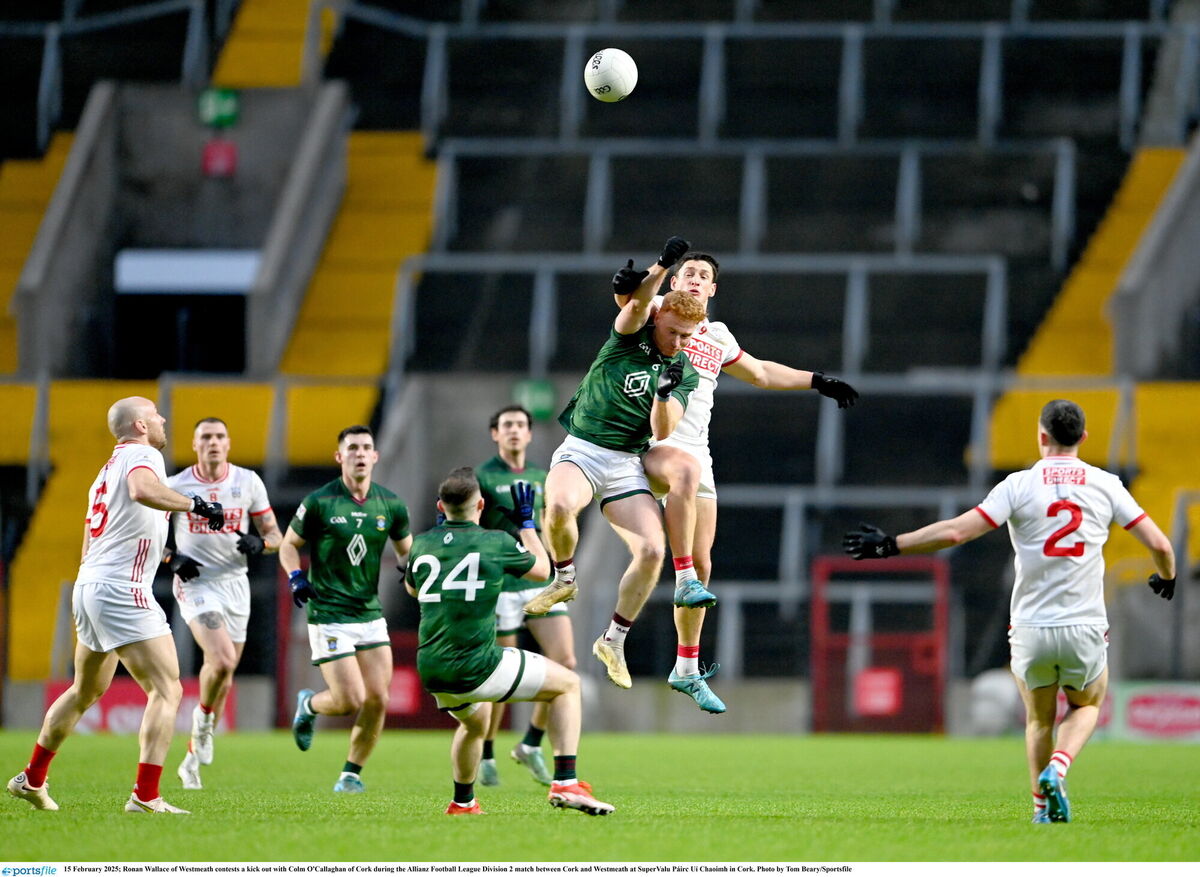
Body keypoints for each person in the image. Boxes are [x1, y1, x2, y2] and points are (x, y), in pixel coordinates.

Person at [843, 399, 1176, 824]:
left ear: (1042, 435)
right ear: (1084, 437)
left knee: (1038, 720)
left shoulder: (1018, 485)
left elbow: (957, 532)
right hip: (1085, 625)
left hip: (1031, 627)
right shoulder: (1105, 484)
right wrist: (1166, 577)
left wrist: (891, 545)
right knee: (1087, 706)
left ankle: (1042, 810)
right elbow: (1160, 544)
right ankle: (1059, 769)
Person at [611, 245, 858, 713]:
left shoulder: (718, 335)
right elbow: (630, 306)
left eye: (703, 275)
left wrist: (817, 381)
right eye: (688, 272)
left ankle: (686, 668)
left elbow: (761, 373)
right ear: (674, 282)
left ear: (713, 289)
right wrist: (628, 286)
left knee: (703, 564)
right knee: (669, 556)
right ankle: (626, 615)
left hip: (696, 452)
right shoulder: (658, 310)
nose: (695, 279)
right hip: (649, 443)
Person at [6, 396, 224, 814]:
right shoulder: (143, 455)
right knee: (167, 690)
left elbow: (101, 536)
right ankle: (146, 796)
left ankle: (31, 779)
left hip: (90, 584)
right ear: (140, 425)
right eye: (156, 415)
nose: (162, 420)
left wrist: (164, 556)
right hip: (122, 589)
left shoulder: (104, 472)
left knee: (85, 689)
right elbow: (143, 491)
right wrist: (196, 504)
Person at [522, 236, 705, 692]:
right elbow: (636, 303)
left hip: (626, 463)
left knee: (652, 552)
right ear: (660, 318)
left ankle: (613, 639)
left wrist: (664, 393)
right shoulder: (630, 336)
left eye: (687, 337)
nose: (678, 342)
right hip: (584, 448)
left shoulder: (684, 370)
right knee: (559, 505)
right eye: (673, 332)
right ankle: (564, 577)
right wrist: (662, 265)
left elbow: (663, 429)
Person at [407, 467, 613, 816]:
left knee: (475, 723)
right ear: (481, 505)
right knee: (568, 685)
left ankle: (463, 802)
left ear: (440, 507)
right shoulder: (495, 542)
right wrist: (527, 524)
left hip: (431, 666)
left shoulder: (422, 543)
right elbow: (543, 571)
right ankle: (566, 783)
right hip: (475, 664)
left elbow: (413, 589)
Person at [279, 425, 412, 794]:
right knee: (349, 700)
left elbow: (408, 553)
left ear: (375, 456)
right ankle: (310, 705)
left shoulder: (391, 504)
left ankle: (350, 774)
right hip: (329, 614)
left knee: (378, 698)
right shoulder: (320, 502)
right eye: (352, 448)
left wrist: (415, 572)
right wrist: (295, 576)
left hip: (369, 614)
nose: (360, 453)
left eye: (366, 447)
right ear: (340, 457)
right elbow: (288, 545)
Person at [166, 417, 284, 791]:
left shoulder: (248, 482)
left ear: (228, 443)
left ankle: (191, 759)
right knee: (221, 660)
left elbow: (275, 535)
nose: (213, 442)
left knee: (224, 675)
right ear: (195, 444)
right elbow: (146, 535)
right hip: (197, 583)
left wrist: (261, 544)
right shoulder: (176, 485)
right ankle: (202, 726)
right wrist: (171, 558)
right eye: (206, 437)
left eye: (219, 436)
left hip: (236, 585)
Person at [475, 405, 574, 787]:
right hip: (501, 584)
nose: (514, 430)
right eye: (507, 425)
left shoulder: (540, 476)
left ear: (530, 434)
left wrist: (561, 568)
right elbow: (473, 527)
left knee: (566, 661)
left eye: (520, 425)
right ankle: (486, 753)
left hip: (539, 580)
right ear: (494, 434)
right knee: (499, 675)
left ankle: (531, 744)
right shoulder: (482, 476)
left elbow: (550, 527)